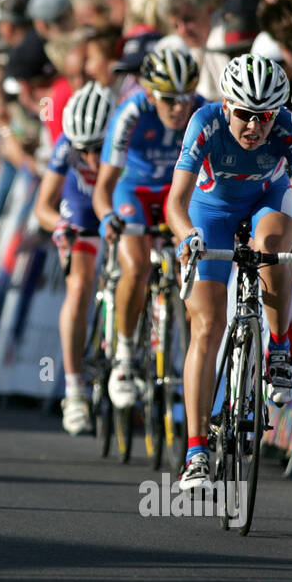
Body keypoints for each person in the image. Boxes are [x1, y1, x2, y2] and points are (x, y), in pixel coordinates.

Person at [166, 54, 292, 491]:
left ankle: (278, 350)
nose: (255, 127)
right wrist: (187, 237)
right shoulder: (204, 121)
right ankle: (196, 451)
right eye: (244, 115)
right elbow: (176, 202)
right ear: (226, 105)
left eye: (264, 116)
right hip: (210, 214)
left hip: (266, 204)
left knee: (272, 244)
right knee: (206, 327)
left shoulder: (287, 128)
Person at [91, 47, 203, 408]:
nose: (178, 108)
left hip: (176, 194)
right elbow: (104, 186)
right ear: (151, 93)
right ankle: (124, 355)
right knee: (136, 266)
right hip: (132, 190)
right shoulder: (131, 112)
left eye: (185, 99)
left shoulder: (202, 111)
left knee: (196, 269)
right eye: (169, 99)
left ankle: (184, 360)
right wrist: (108, 216)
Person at [33, 81, 114, 436]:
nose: (94, 158)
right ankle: (74, 389)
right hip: (80, 206)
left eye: (101, 148)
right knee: (79, 285)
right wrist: (61, 225)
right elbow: (42, 208)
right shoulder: (66, 146)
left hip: (118, 201)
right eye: (86, 150)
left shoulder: (131, 135)